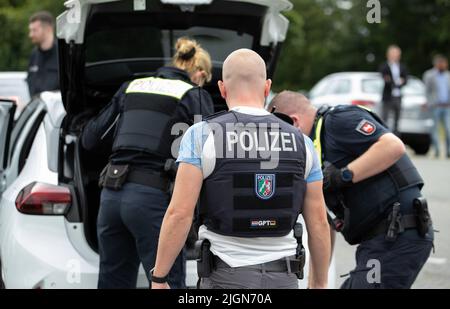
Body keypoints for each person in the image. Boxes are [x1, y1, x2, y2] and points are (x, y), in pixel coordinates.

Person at [151, 49, 331, 290]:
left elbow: (179, 214)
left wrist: (159, 278)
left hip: (225, 278)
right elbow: (319, 221)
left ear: (222, 88)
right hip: (285, 278)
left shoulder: (202, 135)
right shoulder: (303, 143)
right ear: (267, 88)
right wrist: (319, 283)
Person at [81, 37, 214, 289]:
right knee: (166, 283)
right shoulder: (194, 94)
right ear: (199, 74)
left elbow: (90, 139)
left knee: (113, 282)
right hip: (151, 200)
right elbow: (210, 152)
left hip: (110, 197)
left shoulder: (131, 87)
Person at [270, 91, 434, 289]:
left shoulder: (339, 119)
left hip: (398, 234)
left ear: (294, 122)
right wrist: (316, 284)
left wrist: (343, 176)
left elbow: (393, 146)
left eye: (281, 135)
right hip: (379, 242)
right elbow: (322, 225)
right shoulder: (316, 149)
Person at [423, 55, 450, 158]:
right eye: (441, 63)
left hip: (447, 106)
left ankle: (448, 151)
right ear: (437, 64)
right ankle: (438, 150)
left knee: (448, 128)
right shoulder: (429, 75)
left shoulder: (448, 75)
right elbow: (427, 91)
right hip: (435, 106)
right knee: (435, 129)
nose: (443, 65)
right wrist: (429, 103)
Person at [27, 11, 59, 96]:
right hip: (37, 107)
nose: (30, 35)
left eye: (34, 30)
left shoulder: (63, 54)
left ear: (48, 29)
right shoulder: (34, 55)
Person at [379, 45, 408, 134]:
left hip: (398, 96)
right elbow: (386, 79)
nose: (395, 56)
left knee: (397, 120)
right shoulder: (384, 66)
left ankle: (396, 138)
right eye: (393, 54)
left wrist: (399, 82)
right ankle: (384, 136)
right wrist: (397, 82)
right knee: (385, 119)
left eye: (397, 54)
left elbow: (406, 79)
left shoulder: (402, 66)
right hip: (388, 96)